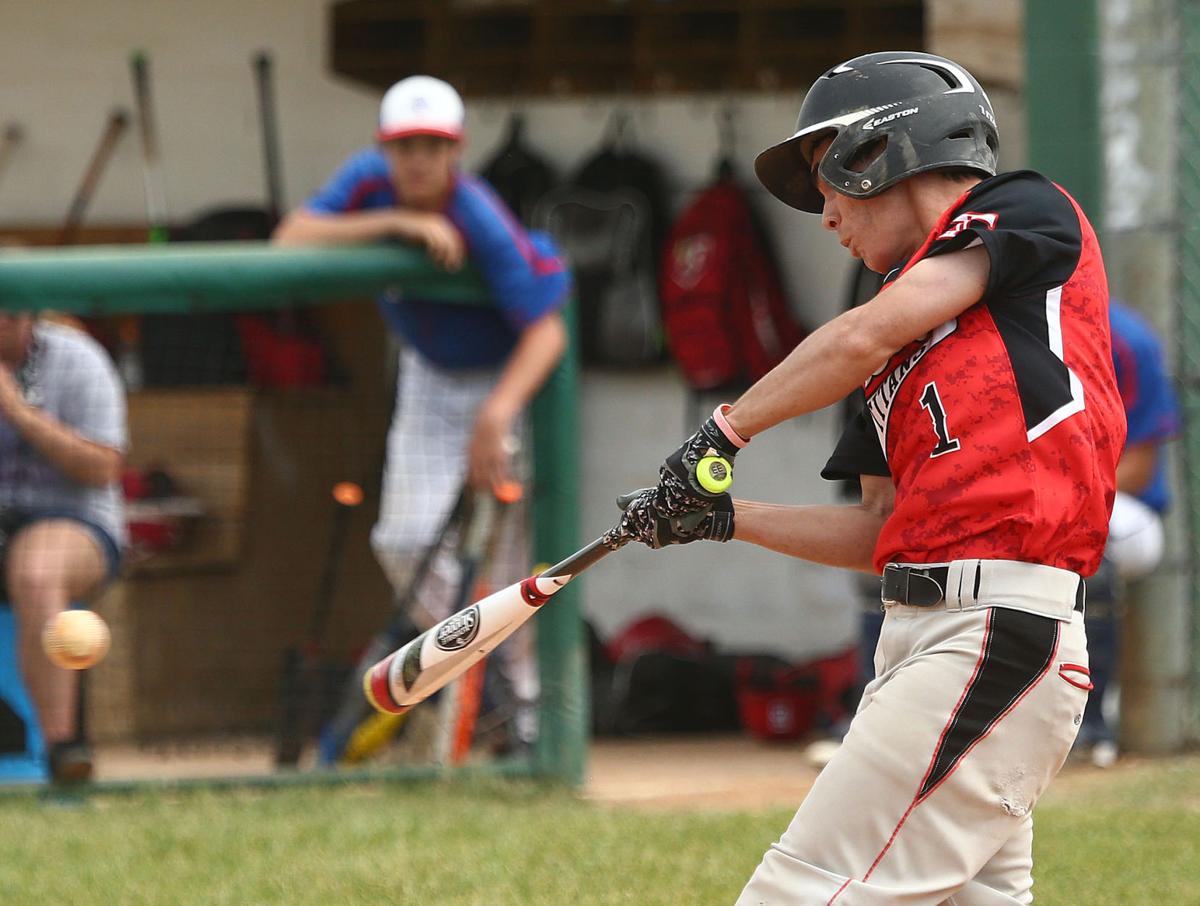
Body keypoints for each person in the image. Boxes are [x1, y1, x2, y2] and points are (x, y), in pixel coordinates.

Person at [617, 51, 1125, 903]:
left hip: (997, 630)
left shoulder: (1022, 212)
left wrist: (723, 429)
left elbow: (861, 334)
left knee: (801, 890)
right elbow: (884, 534)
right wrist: (724, 516)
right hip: (924, 643)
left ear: (884, 151)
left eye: (830, 181)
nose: (825, 217)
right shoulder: (900, 364)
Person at [272, 75, 570, 752]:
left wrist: (496, 415)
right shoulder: (367, 184)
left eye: (433, 146)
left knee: (515, 558)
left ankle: (525, 723)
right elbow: (290, 237)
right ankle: (491, 682)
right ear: (386, 148)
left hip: (504, 379)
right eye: (406, 146)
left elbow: (547, 331)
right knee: (402, 540)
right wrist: (397, 225)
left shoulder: (479, 212)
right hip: (429, 376)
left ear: (456, 151)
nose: (418, 161)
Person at [0, 311, 127, 783]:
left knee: (37, 571)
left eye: (7, 313)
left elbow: (103, 467)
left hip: (72, 518)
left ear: (28, 314)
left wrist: (15, 410)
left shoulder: (77, 358)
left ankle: (61, 751)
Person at [1075, 298, 1180, 768]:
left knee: (1085, 540)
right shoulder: (991, 326)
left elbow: (1137, 468)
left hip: (1122, 510)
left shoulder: (1122, 336)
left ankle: (1090, 725)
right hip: (1024, 505)